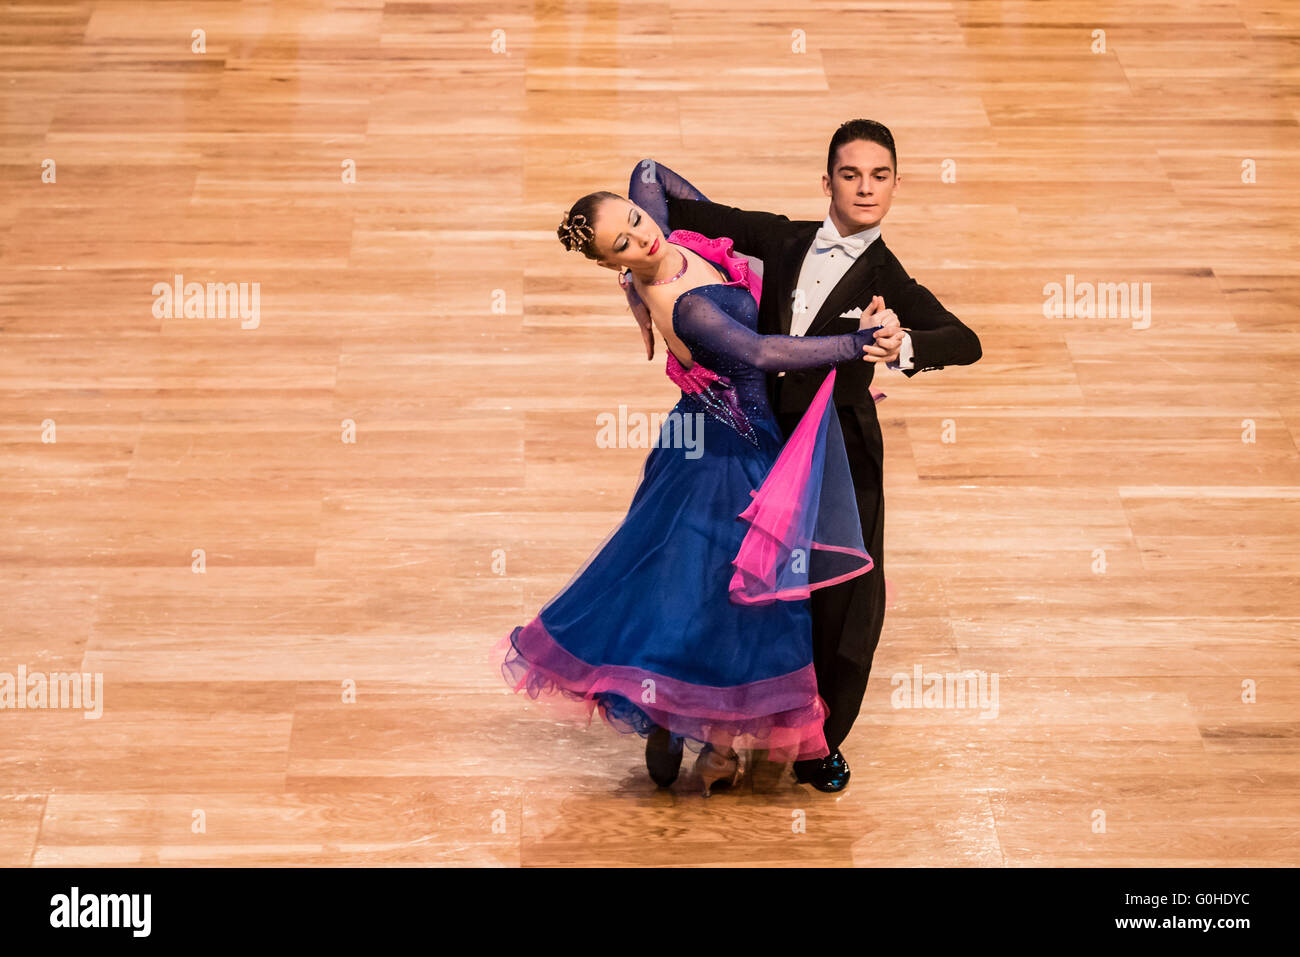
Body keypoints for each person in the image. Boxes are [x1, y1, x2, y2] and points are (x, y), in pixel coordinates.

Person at [497, 159, 903, 796]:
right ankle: (694, 728)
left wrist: (657, 230)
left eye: (635, 222)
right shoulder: (688, 310)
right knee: (732, 602)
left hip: (733, 432)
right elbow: (765, 353)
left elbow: (650, 171)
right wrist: (857, 344)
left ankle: (683, 724)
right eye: (623, 246)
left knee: (707, 592)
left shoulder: (661, 234)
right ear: (611, 265)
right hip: (730, 454)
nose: (643, 237)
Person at [644, 119, 983, 792]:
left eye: (879, 176)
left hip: (836, 449)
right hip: (751, 435)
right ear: (827, 182)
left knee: (845, 599)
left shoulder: (890, 277)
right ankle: (677, 714)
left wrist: (902, 344)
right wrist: (641, 269)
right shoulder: (785, 236)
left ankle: (814, 738)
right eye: (851, 174)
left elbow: (966, 340)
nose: (865, 187)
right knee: (710, 570)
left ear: (894, 186)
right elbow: (657, 183)